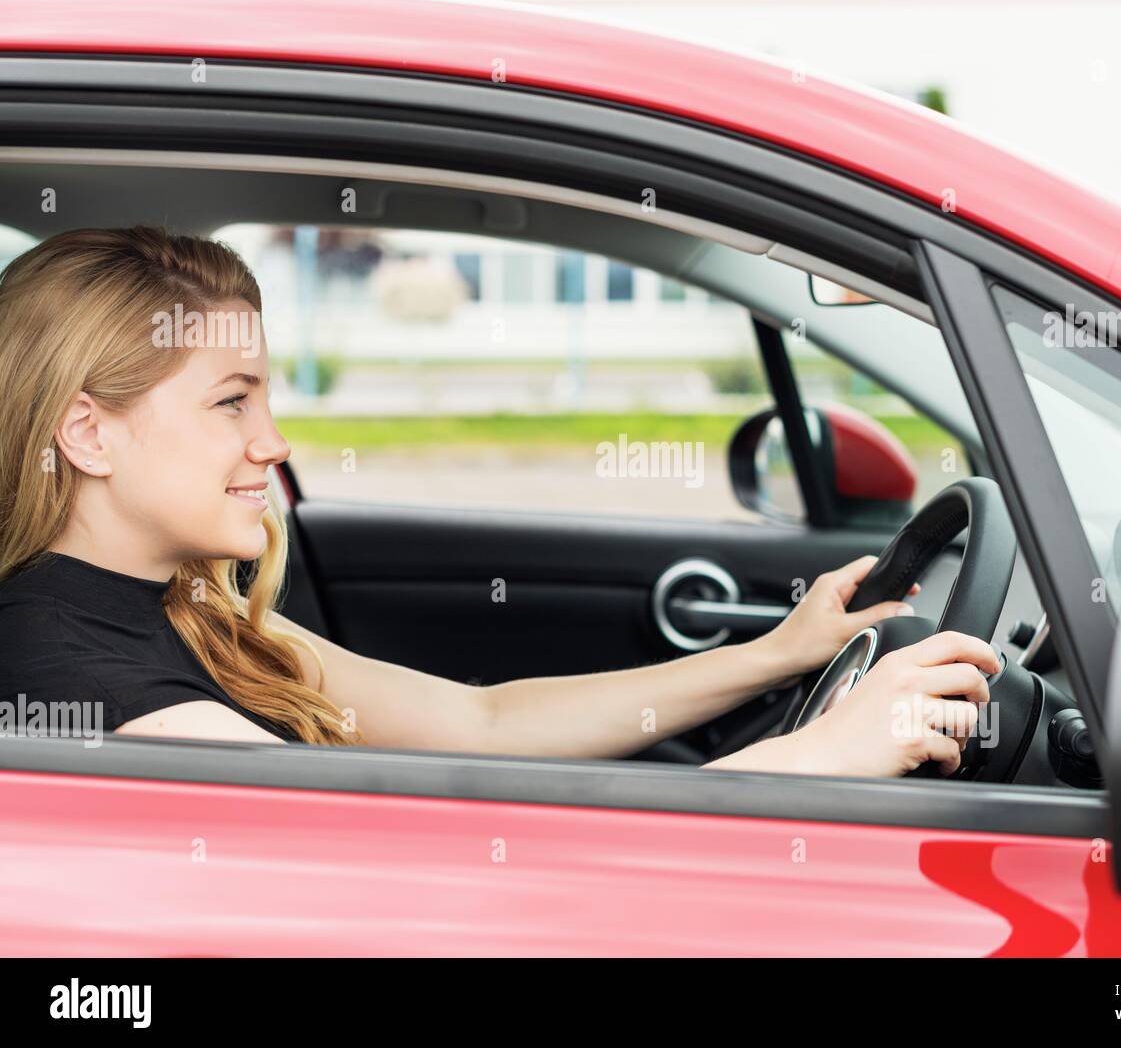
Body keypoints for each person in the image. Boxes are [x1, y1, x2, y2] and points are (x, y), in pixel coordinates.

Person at [0, 226, 996, 777]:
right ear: (87, 433)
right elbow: (442, 895)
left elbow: (481, 722)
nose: (275, 440)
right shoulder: (71, 676)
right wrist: (826, 755)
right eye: (232, 402)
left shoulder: (192, 609)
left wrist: (777, 652)